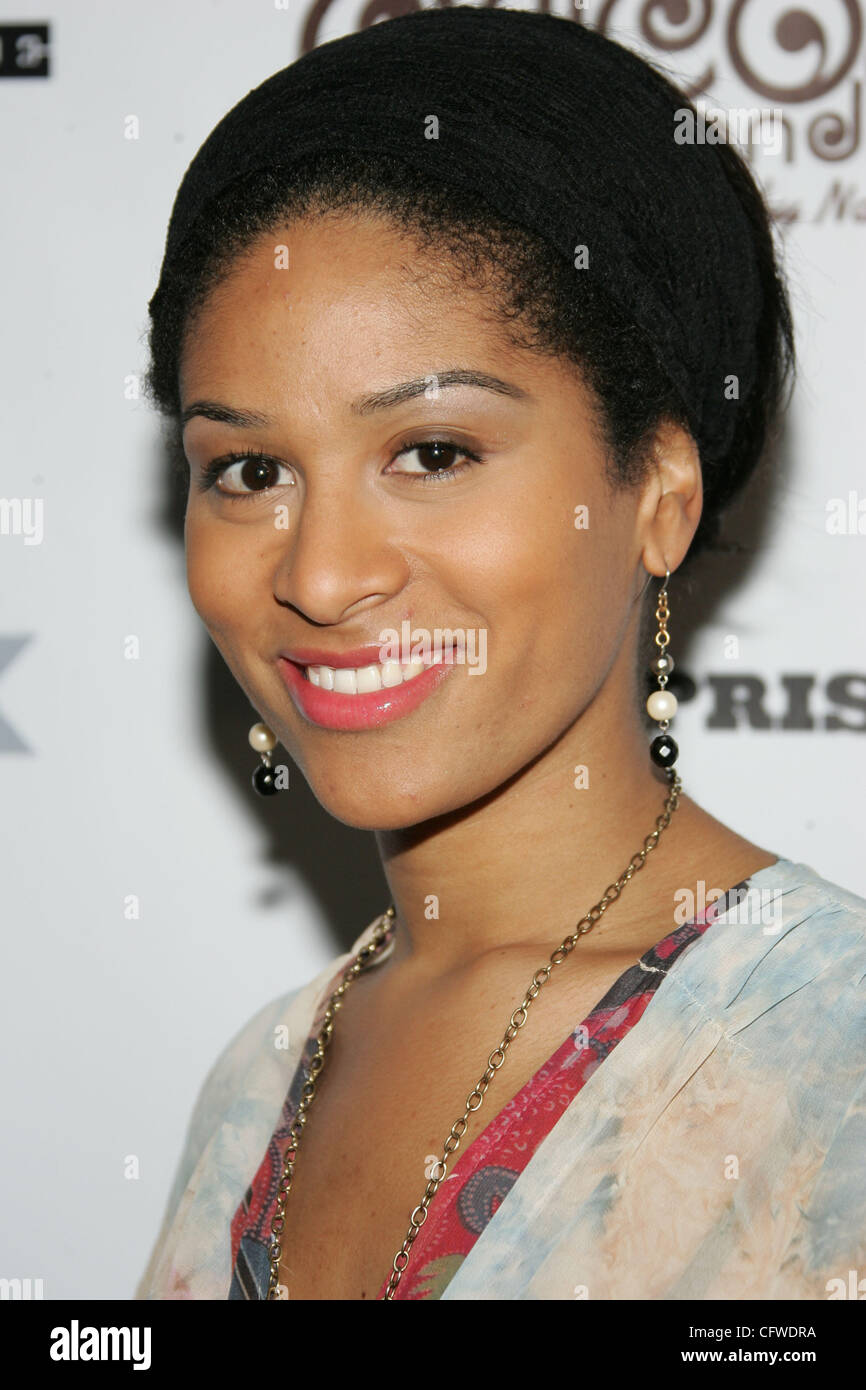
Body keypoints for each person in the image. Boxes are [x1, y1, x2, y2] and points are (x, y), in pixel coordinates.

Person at [136, 6, 866, 1301]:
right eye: (247, 469)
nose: (317, 573)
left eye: (431, 453)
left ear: (656, 490)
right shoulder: (262, 1079)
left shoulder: (830, 1058)